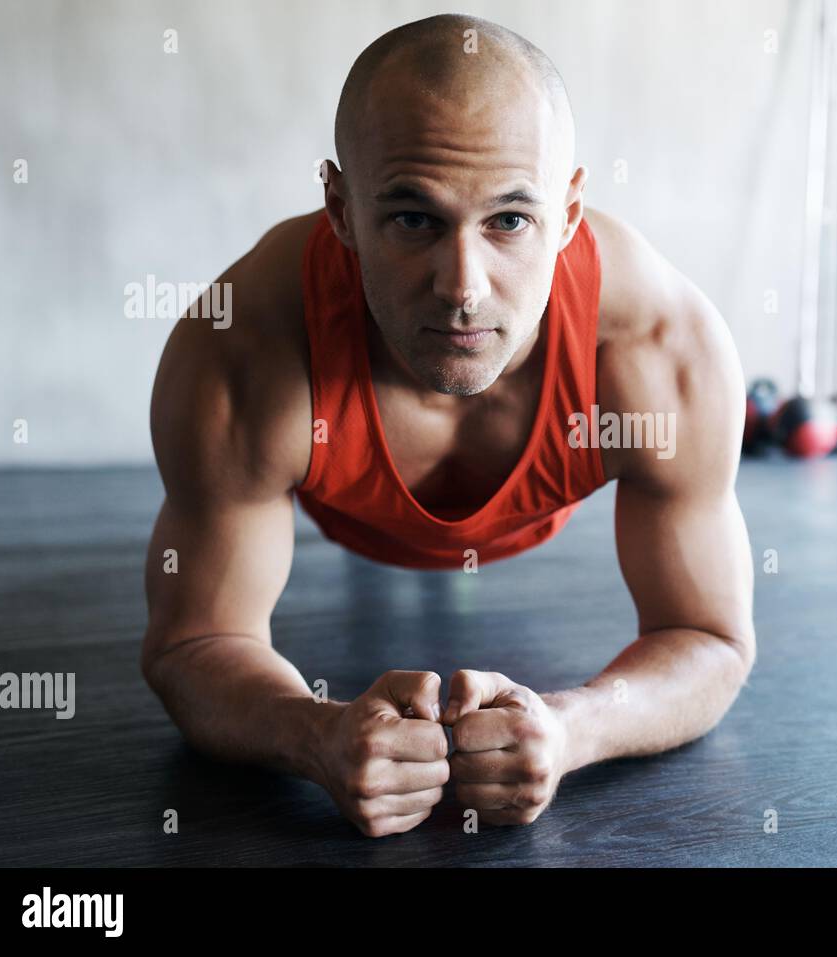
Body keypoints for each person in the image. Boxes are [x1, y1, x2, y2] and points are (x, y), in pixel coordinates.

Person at [141, 13, 755, 838]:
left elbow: (709, 637)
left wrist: (569, 730)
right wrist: (313, 733)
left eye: (509, 221)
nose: (463, 287)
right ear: (341, 210)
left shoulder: (657, 350)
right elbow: (194, 643)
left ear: (569, 214)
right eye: (414, 220)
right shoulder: (247, 347)